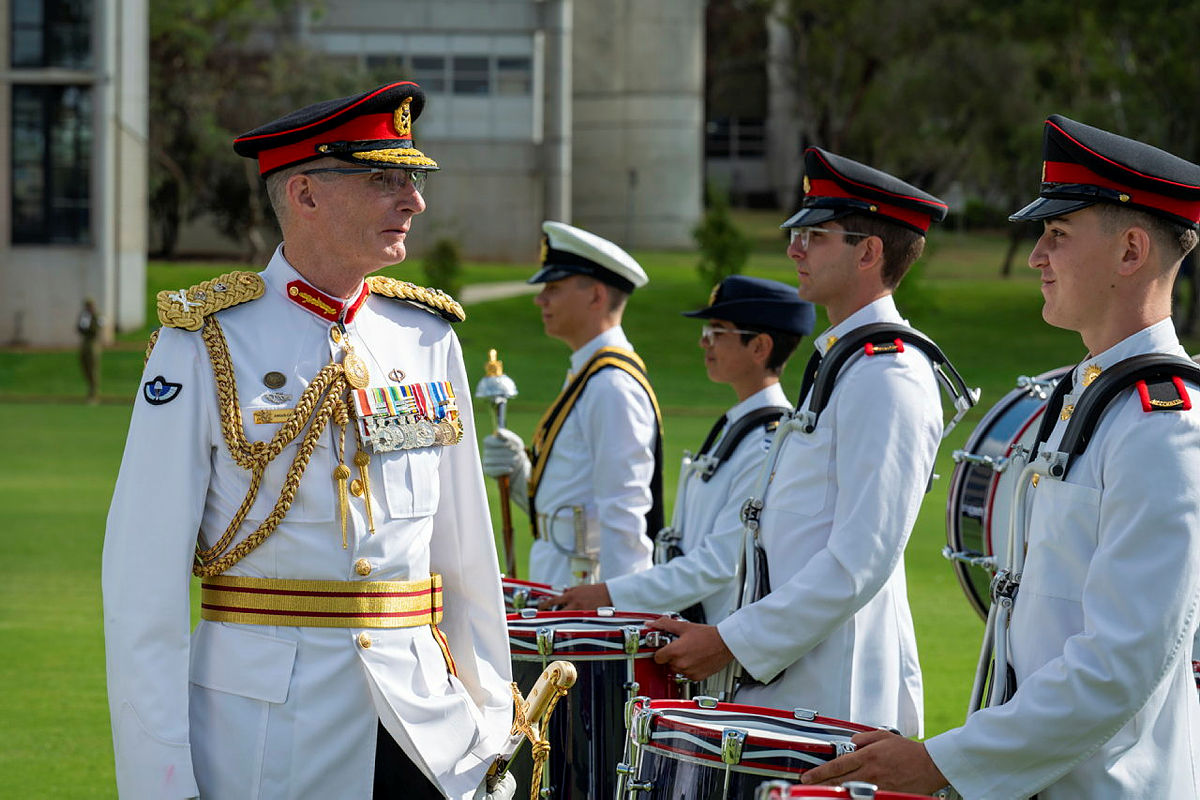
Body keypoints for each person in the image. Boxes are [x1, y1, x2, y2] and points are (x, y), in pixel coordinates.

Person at [102, 82, 515, 800]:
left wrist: (490, 724)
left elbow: (465, 556)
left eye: (413, 180)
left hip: (427, 726)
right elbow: (143, 585)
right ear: (305, 194)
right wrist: (159, 783)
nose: (413, 202)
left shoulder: (425, 337)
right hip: (265, 734)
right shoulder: (204, 342)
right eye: (384, 180)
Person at [801, 116, 1200, 798]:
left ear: (1131, 250)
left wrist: (942, 762)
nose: (1036, 256)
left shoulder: (1163, 424)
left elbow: (1120, 665)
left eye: (1057, 234)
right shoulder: (1091, 396)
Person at [650, 147, 953, 738]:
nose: (794, 249)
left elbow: (860, 559)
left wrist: (730, 642)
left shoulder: (889, 375)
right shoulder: (847, 362)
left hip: (836, 698)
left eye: (815, 236)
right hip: (795, 689)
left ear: (867, 252)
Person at [543, 276, 815, 629]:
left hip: (721, 634)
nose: (704, 342)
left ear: (760, 346)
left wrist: (611, 594)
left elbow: (720, 563)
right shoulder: (738, 427)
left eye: (717, 331)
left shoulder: (767, 442)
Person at [482, 221, 661, 587]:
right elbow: (575, 493)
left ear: (595, 296)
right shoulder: (590, 373)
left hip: (587, 592)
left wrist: (621, 610)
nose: (540, 299)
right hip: (567, 578)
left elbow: (624, 511)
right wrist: (521, 477)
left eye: (554, 288)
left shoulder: (611, 384)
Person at [78, 297, 102, 403]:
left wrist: (89, 326)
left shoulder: (96, 316)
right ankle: (90, 392)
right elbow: (79, 328)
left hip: (93, 344)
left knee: (93, 369)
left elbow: (96, 329)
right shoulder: (84, 316)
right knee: (85, 367)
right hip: (85, 344)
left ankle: (94, 394)